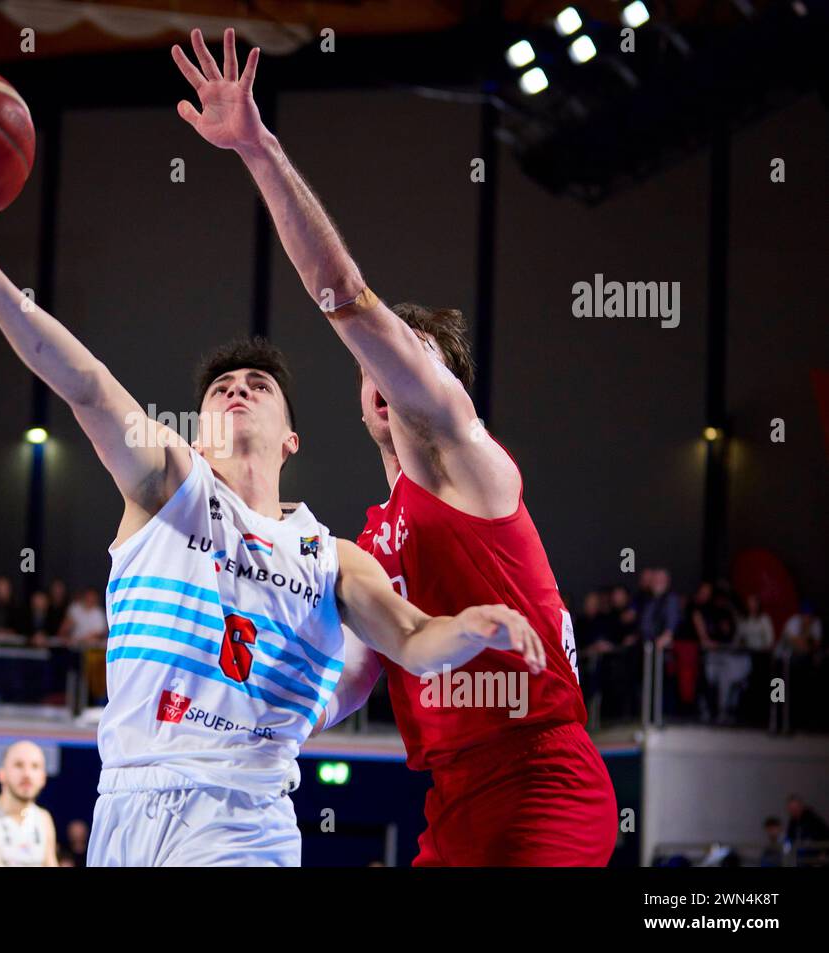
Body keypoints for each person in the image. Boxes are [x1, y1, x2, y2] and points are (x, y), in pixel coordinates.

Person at [0, 159, 544, 866]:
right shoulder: (168, 487)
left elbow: (413, 637)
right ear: (196, 431)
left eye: (257, 384)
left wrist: (472, 627)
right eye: (222, 386)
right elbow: (87, 386)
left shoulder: (332, 555)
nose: (238, 390)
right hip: (127, 808)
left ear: (292, 438)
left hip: (243, 814)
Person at [173, 27, 614, 865]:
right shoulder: (370, 540)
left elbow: (341, 294)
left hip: (543, 777)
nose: (389, 366)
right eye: (384, 356)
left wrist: (259, 149)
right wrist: (243, 725)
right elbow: (351, 679)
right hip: (450, 801)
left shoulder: (464, 449)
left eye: (411, 354)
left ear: (442, 384)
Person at [0, 740, 58, 867]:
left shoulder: (43, 819)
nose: (27, 774)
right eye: (18, 765)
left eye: (35, 766)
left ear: (43, 778)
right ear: (1, 774)